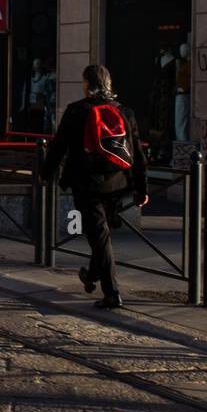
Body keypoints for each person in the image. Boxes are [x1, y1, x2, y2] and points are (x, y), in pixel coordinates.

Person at [42, 65, 149, 309]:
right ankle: (91, 276)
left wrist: (45, 174)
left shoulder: (76, 111)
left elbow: (58, 147)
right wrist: (142, 188)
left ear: (87, 84)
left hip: (87, 185)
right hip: (118, 184)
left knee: (100, 238)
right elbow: (138, 153)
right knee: (100, 235)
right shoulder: (124, 111)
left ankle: (112, 293)